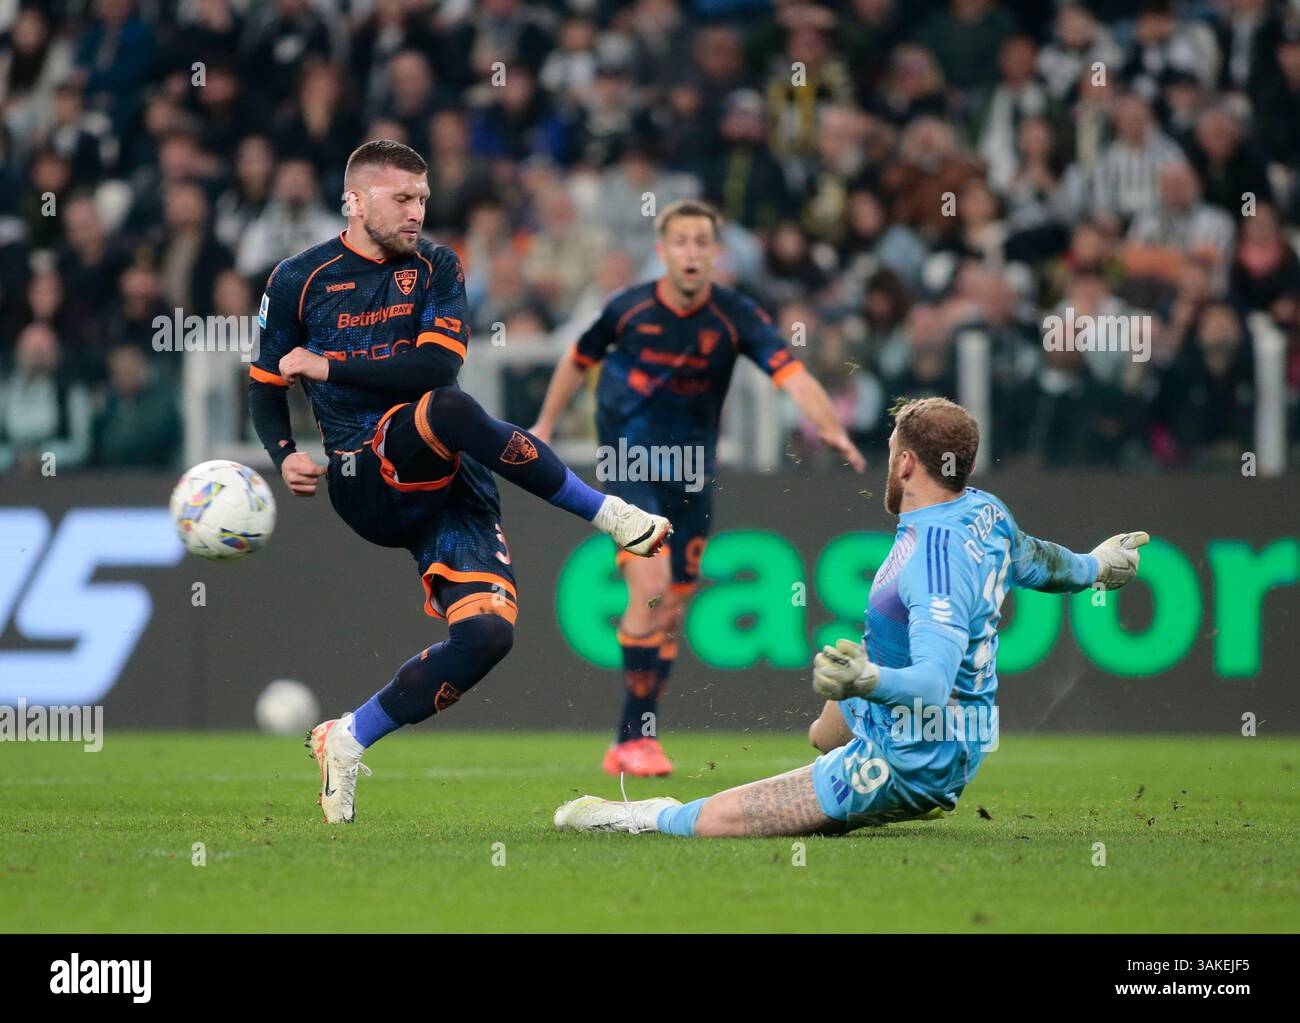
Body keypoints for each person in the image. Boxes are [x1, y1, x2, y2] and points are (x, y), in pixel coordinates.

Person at [248, 139, 670, 824]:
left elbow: (434, 367)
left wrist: (327, 366)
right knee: (448, 411)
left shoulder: (438, 265)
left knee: (488, 636)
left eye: (422, 198)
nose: (417, 212)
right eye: (401, 198)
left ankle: (348, 737)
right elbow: (265, 384)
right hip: (364, 474)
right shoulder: (298, 278)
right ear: (355, 201)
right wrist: (285, 450)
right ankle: (608, 513)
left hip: (448, 482)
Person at [554, 397, 1148, 837]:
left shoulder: (933, 563)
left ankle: (635, 816)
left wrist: (866, 680)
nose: (885, 460)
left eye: (890, 450)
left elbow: (934, 683)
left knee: (719, 822)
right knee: (823, 730)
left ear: (909, 463)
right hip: (927, 722)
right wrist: (1096, 566)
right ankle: (841, 736)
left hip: (916, 756)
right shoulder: (984, 512)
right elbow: (1037, 561)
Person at [530, 199, 866, 778]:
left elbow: (791, 373)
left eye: (701, 242)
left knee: (672, 606)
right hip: (629, 463)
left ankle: (633, 736)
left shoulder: (734, 316)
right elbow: (576, 359)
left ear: (715, 252)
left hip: (691, 474)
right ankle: (635, 738)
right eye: (680, 241)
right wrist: (543, 424)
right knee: (653, 583)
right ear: (663, 252)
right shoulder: (628, 309)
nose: (690, 252)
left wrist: (830, 427)